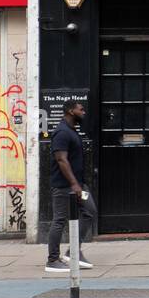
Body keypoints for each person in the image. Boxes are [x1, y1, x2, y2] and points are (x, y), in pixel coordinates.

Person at [46, 100, 96, 273]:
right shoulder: (61, 132)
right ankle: (52, 260)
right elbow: (61, 159)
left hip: (78, 185)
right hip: (64, 186)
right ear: (70, 110)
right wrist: (74, 184)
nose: (83, 112)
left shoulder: (71, 130)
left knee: (89, 211)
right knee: (59, 219)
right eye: (80, 109)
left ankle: (73, 251)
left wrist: (78, 184)